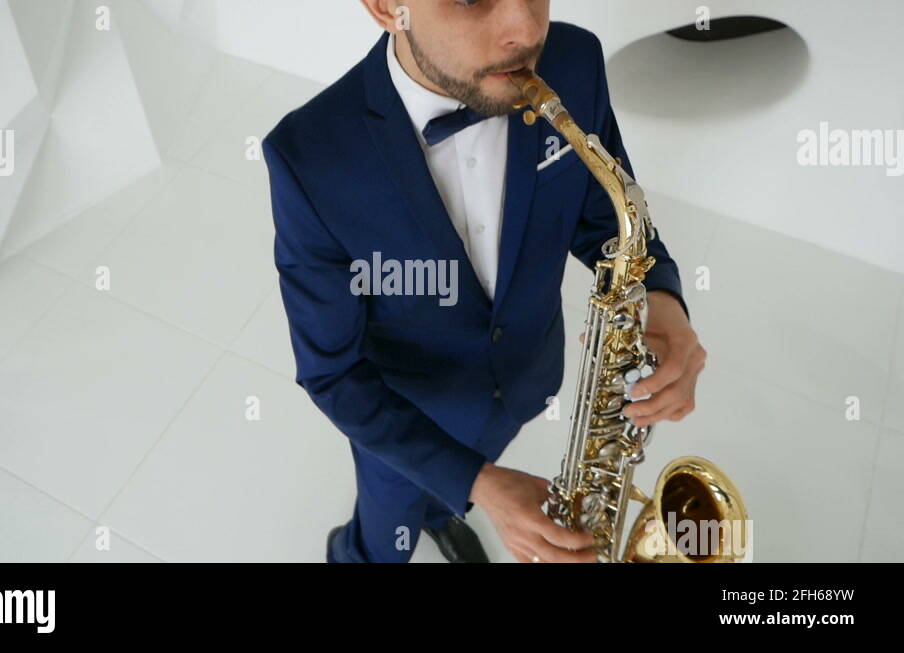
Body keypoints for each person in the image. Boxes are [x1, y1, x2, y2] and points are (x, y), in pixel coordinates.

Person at [263, 0, 706, 563]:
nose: (526, 31)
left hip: (525, 381)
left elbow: (609, 212)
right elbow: (332, 373)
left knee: (446, 498)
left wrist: (662, 297)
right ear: (387, 8)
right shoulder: (309, 157)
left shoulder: (575, 62)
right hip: (404, 425)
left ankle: (445, 512)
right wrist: (480, 483)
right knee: (381, 538)